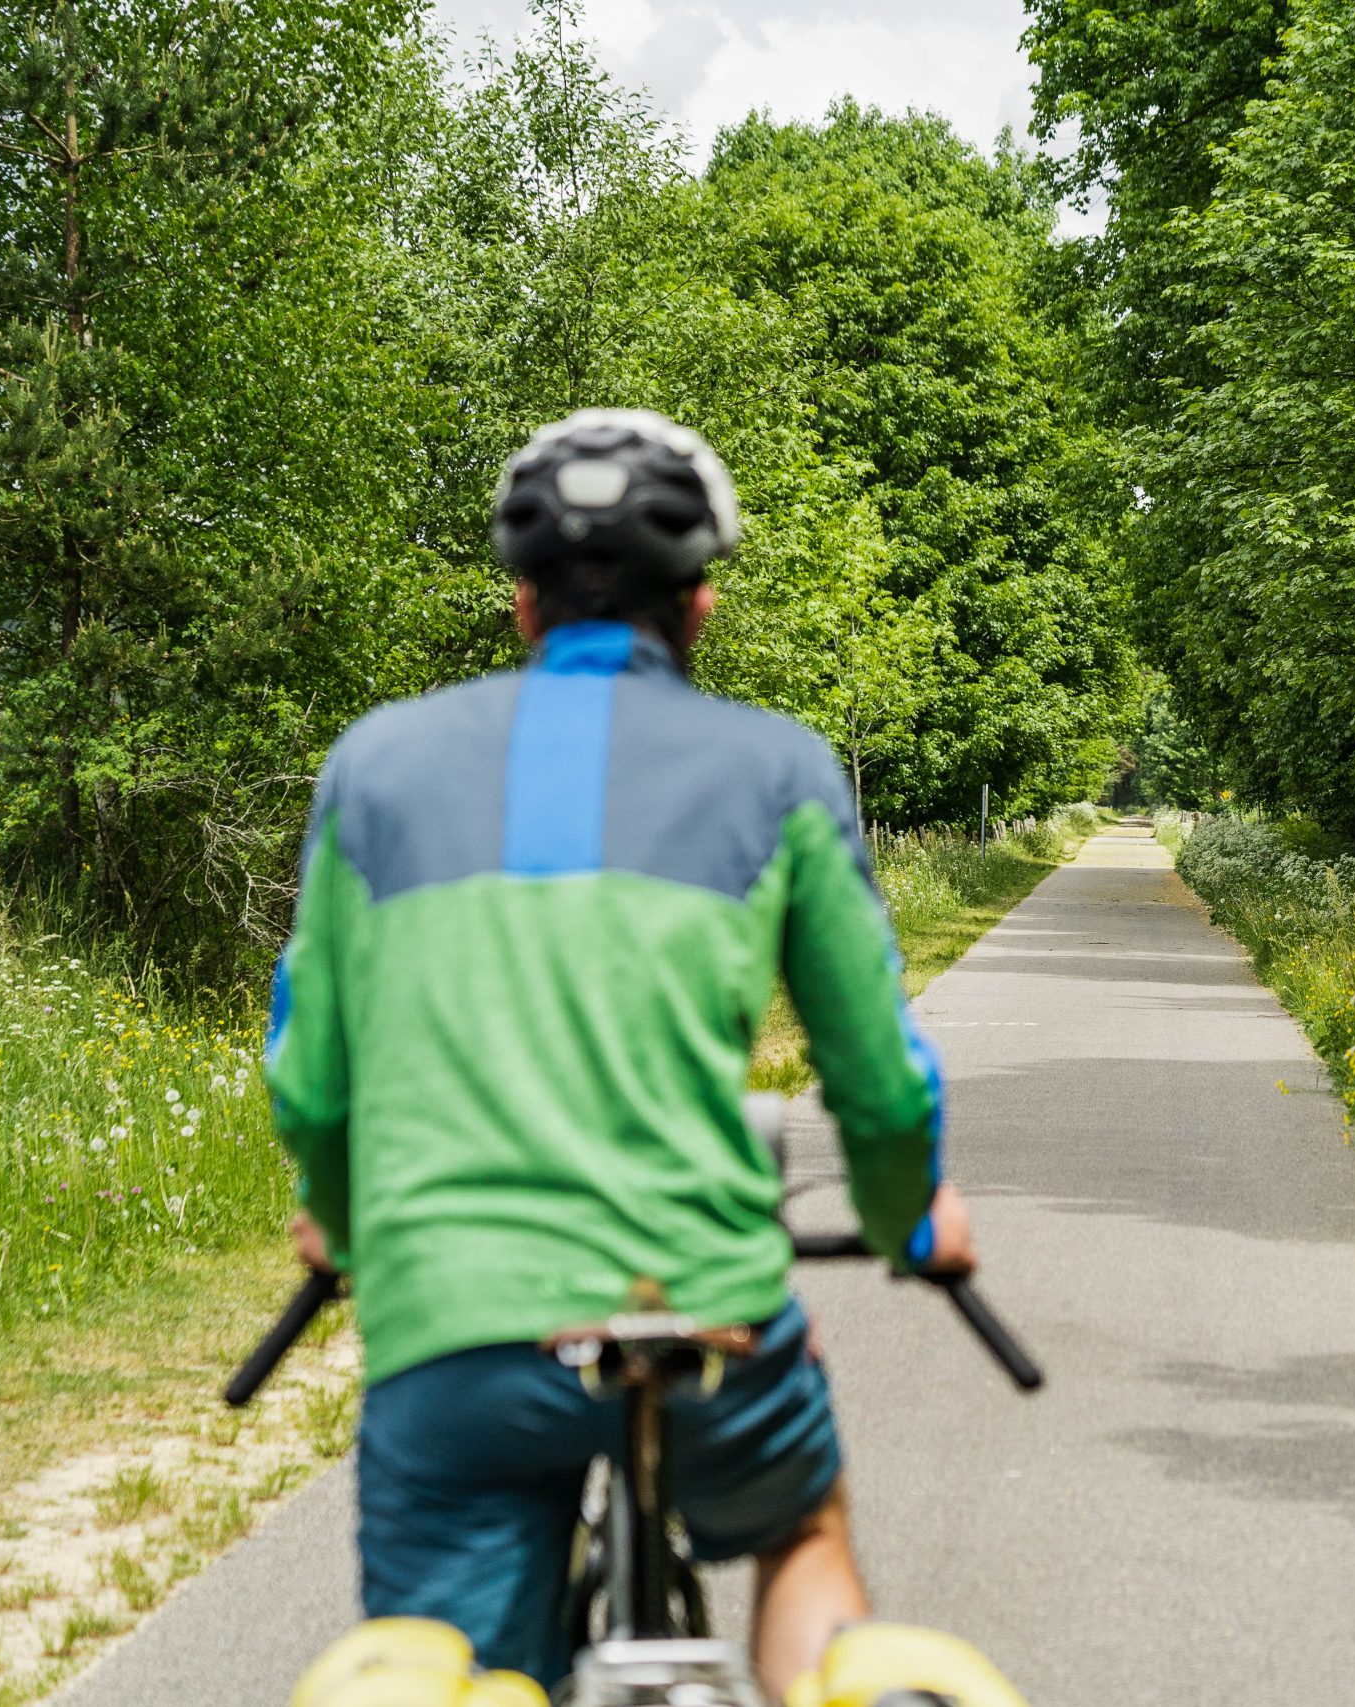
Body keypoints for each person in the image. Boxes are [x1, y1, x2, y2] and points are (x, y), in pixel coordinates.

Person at [263, 408, 972, 1701]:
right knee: (803, 1527)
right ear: (698, 605)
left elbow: (312, 1079)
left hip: (461, 1341)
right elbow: (876, 1076)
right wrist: (910, 1213)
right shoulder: (780, 772)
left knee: (447, 1659)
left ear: (522, 604)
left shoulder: (372, 769)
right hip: (706, 1320)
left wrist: (345, 1219)